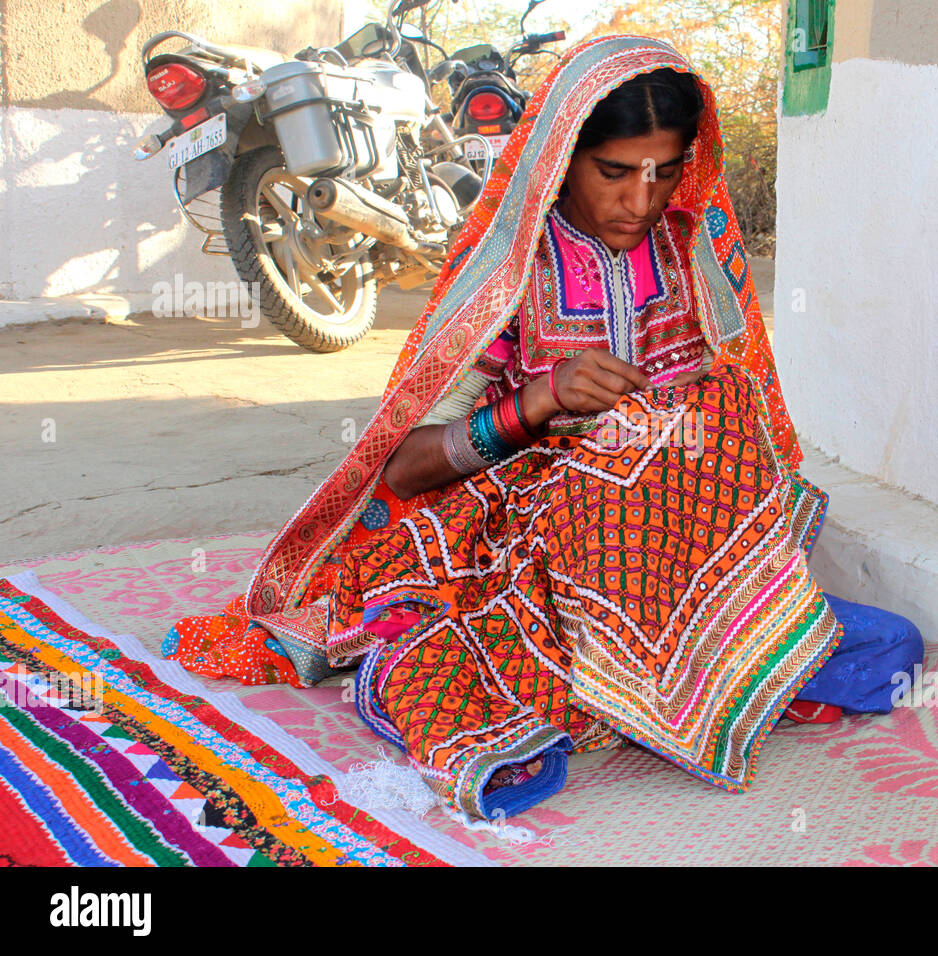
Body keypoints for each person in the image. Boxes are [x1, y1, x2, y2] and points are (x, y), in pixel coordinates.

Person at [165, 34, 843, 822]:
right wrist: (539, 402)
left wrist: (676, 428)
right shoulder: (510, 274)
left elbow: (741, 443)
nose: (641, 201)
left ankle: (673, 663)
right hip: (522, 537)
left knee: (736, 425)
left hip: (662, 539)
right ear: (561, 158)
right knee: (486, 668)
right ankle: (498, 670)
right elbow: (406, 469)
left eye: (664, 171)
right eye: (615, 172)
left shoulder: (689, 256)